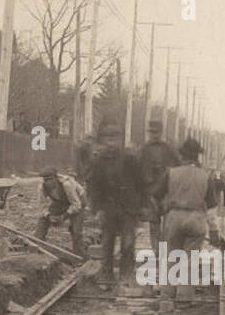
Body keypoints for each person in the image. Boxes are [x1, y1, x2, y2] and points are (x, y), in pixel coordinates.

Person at [87, 119, 142, 289]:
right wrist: (97, 209)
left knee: (128, 244)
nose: (111, 144)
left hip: (128, 208)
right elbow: (93, 186)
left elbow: (140, 184)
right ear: (103, 141)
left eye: (114, 139)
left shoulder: (130, 158)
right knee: (107, 243)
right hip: (108, 208)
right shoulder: (98, 161)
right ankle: (107, 276)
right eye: (108, 139)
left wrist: (139, 207)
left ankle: (126, 276)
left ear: (120, 140)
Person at [161, 137, 213, 302]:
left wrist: (164, 209)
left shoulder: (171, 173)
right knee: (191, 259)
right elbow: (211, 204)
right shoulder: (205, 176)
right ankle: (184, 297)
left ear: (182, 155)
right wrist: (213, 228)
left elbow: (157, 193)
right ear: (197, 156)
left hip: (174, 216)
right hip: (196, 217)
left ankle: (167, 294)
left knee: (171, 256)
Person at [137, 117, 178, 248]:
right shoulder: (143, 149)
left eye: (156, 132)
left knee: (167, 224)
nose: (153, 135)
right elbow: (137, 168)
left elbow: (178, 165)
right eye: (151, 132)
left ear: (161, 133)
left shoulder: (168, 148)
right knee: (154, 223)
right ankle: (156, 250)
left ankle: (164, 249)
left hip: (166, 191)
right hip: (150, 191)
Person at [35, 166, 86, 256]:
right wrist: (49, 216)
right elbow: (42, 206)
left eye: (51, 179)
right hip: (60, 202)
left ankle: (79, 255)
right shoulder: (42, 187)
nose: (49, 182)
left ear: (56, 178)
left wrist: (64, 216)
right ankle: (37, 247)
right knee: (42, 219)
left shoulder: (66, 184)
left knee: (76, 230)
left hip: (78, 201)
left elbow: (76, 205)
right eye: (46, 180)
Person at [206, 168, 225, 252]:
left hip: (214, 202)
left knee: (214, 221)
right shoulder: (213, 182)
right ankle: (214, 241)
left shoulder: (216, 182)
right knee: (213, 222)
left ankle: (214, 241)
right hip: (212, 202)